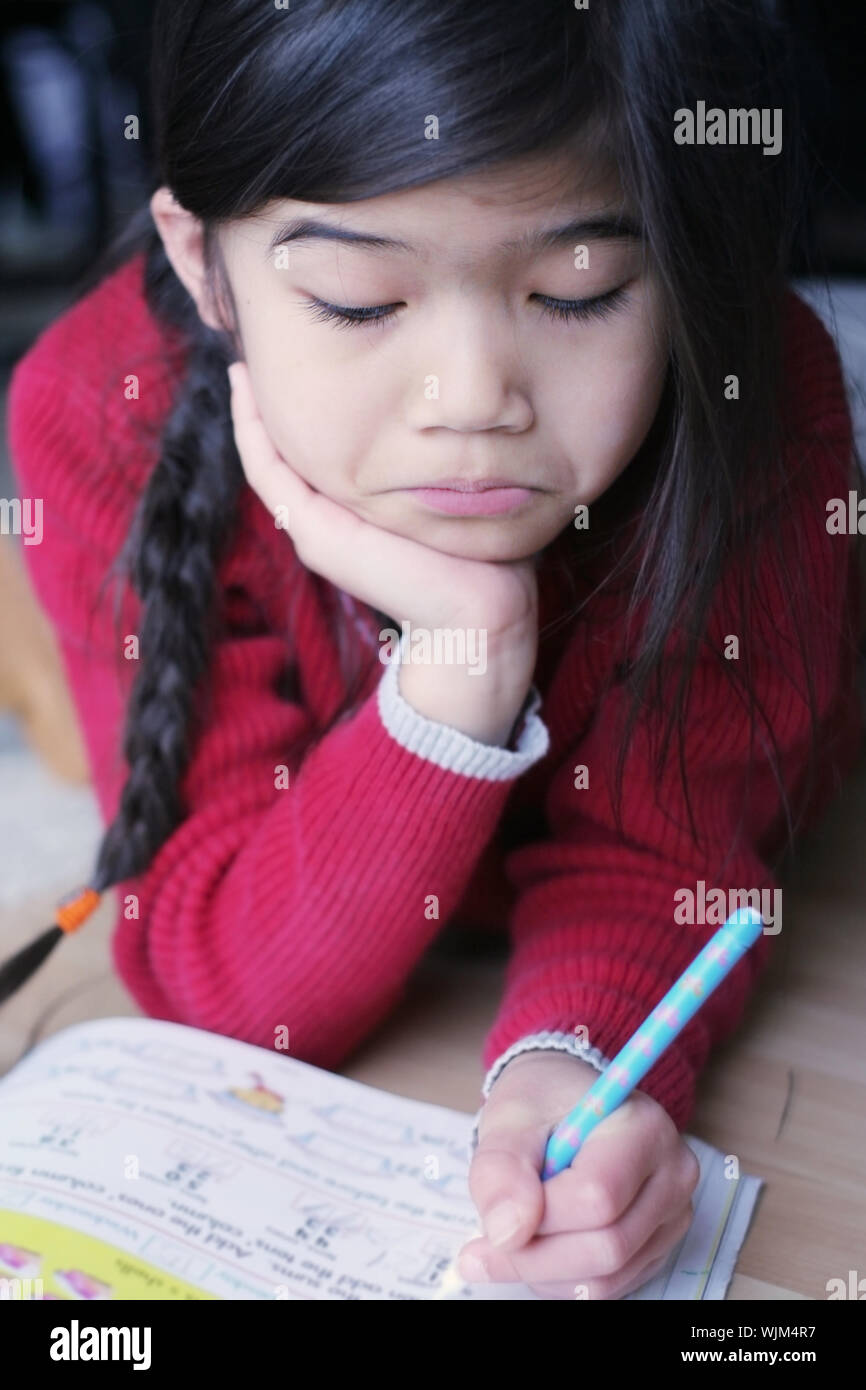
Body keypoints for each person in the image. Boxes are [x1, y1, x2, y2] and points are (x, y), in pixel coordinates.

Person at [5, 0, 863, 1300]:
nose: (471, 395)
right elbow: (227, 978)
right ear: (202, 258)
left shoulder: (759, 403)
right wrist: (458, 661)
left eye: (578, 290)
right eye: (357, 300)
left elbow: (665, 858)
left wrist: (563, 1072)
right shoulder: (94, 408)